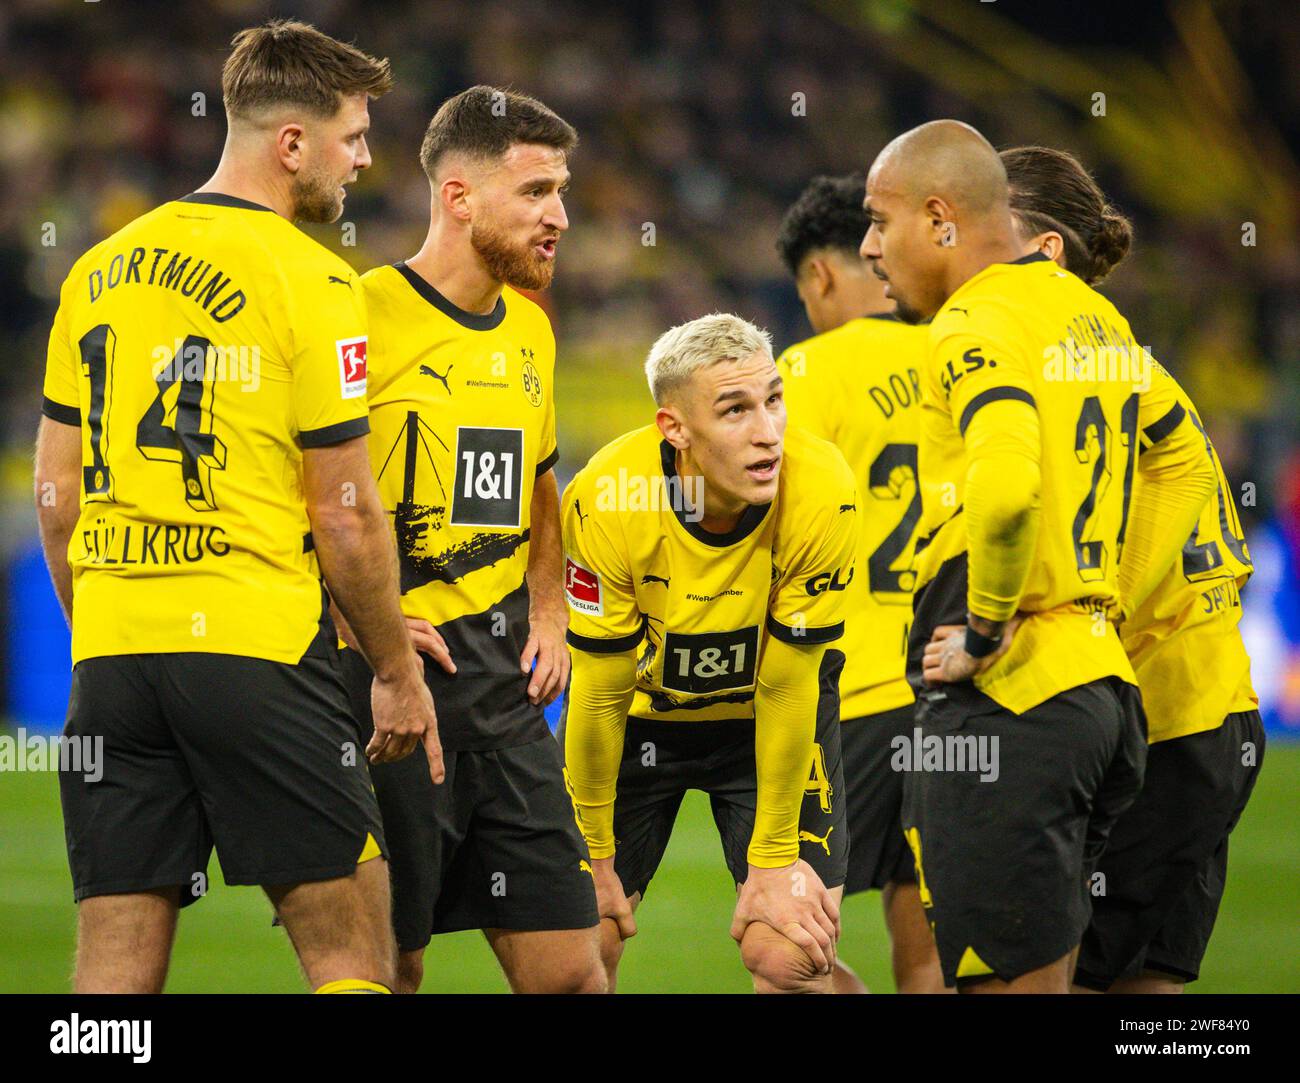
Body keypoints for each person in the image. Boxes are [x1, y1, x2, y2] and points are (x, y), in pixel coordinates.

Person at [33, 20, 438, 994]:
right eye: (353, 135)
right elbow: (344, 512)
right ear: (291, 142)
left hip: (114, 656)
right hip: (253, 644)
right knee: (352, 952)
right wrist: (392, 669)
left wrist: (108, 629)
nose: (366, 159)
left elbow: (58, 495)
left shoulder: (98, 268)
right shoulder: (315, 278)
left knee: (113, 970)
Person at [860, 120, 1217, 993]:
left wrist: (985, 626)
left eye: (879, 219)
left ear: (940, 219)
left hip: (1008, 704)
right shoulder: (1096, 315)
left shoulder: (973, 320)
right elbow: (1184, 461)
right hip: (1099, 692)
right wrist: (1106, 605)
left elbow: (1008, 484)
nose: (869, 246)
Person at [337, 86, 604, 994]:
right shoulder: (360, 314)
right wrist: (361, 637)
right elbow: (300, 494)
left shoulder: (531, 329)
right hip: (384, 684)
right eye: (535, 192)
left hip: (502, 690)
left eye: (561, 191)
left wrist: (548, 609)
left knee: (573, 971)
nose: (559, 216)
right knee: (392, 967)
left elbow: (539, 482)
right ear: (459, 198)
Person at [999, 145, 1266, 994]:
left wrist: (1103, 608)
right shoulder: (1109, 360)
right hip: (1207, 707)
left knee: (1074, 979)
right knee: (1148, 996)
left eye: (979, 222)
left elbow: (1188, 474)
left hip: (1170, 720)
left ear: (1042, 250)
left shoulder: (1086, 360)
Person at [559, 312, 858, 993]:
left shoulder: (822, 489)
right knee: (578, 941)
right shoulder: (608, 497)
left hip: (766, 721)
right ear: (676, 429)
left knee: (790, 952)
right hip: (639, 722)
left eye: (773, 400)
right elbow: (599, 693)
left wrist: (776, 859)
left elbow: (788, 687)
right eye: (735, 410)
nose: (767, 431)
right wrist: (597, 858)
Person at [774, 174, 943, 993]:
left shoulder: (803, 373)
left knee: (787, 950)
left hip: (854, 693)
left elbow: (771, 531)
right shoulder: (964, 358)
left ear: (820, 274)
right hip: (956, 688)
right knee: (932, 955)